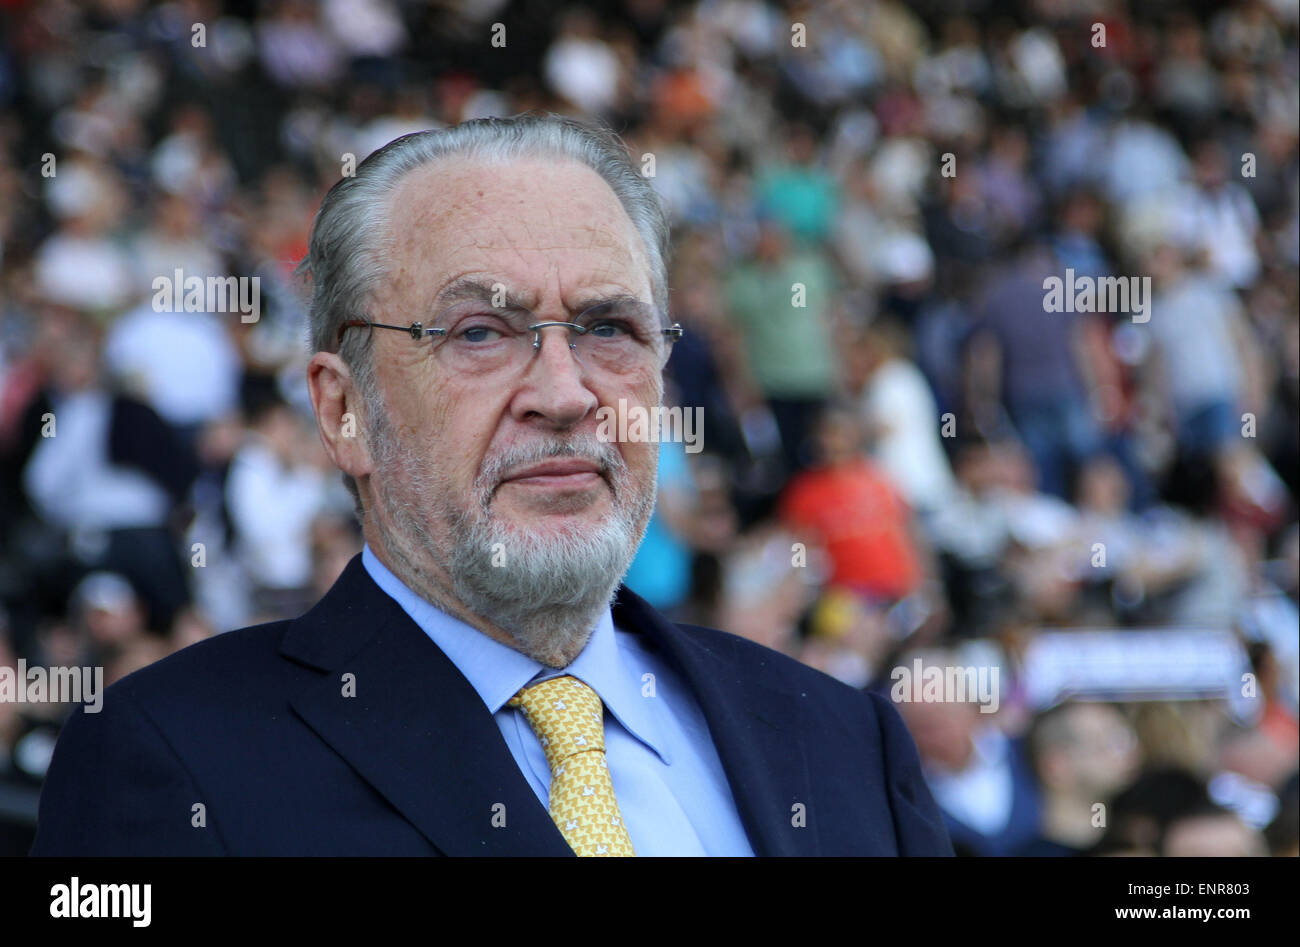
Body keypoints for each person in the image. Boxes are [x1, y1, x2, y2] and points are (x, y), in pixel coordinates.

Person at [31, 114, 951, 857]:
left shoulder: (844, 742)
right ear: (344, 409)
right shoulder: (169, 758)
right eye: (478, 332)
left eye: (609, 328)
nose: (564, 393)